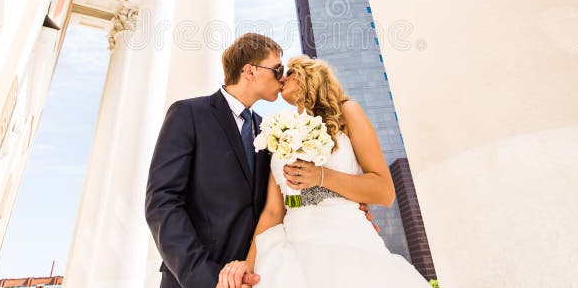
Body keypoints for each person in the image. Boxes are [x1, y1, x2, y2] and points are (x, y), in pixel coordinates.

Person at [216, 55, 431, 288]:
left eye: (290, 73)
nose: (282, 79)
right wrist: (247, 267)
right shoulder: (279, 133)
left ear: (311, 76)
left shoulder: (347, 112)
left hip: (347, 240)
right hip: (294, 247)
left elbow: (384, 191)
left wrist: (321, 176)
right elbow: (273, 212)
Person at [145, 33, 283, 287]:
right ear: (249, 71)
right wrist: (205, 277)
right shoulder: (188, 114)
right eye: (277, 69)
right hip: (195, 279)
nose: (282, 78)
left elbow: (274, 203)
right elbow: (162, 203)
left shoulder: (270, 131)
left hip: (253, 277)